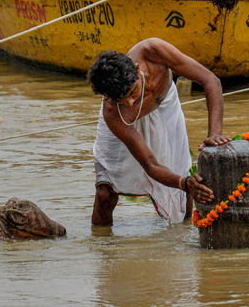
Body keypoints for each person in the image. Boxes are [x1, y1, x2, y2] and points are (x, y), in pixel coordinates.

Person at [87, 38, 231, 227]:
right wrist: (183, 182)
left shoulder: (153, 51)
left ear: (137, 70)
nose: (130, 103)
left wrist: (214, 133)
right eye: (121, 99)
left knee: (183, 181)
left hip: (164, 108)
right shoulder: (113, 112)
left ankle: (184, 231)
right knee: (104, 193)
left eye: (132, 92)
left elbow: (210, 80)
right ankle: (102, 246)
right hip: (125, 122)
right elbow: (150, 164)